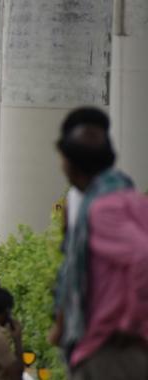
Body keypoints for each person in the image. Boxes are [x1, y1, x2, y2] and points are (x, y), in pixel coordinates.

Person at [50, 107, 148, 379]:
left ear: (71, 162)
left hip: (107, 348)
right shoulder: (129, 196)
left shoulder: (103, 208)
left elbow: (143, 256)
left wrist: (132, 322)